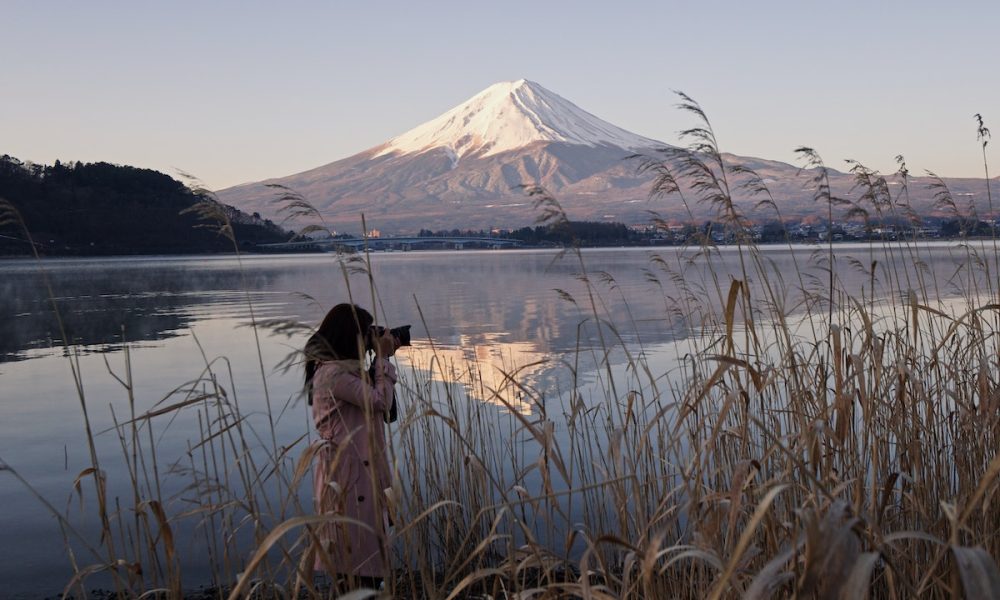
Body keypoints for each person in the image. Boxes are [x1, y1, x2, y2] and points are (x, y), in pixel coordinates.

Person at [303, 303, 400, 590]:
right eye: (366, 334)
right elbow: (379, 402)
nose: (370, 340)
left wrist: (377, 363)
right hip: (349, 482)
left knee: (364, 571)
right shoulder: (333, 375)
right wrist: (381, 359)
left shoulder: (346, 372)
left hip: (359, 477)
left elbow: (384, 408)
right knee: (357, 570)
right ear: (351, 337)